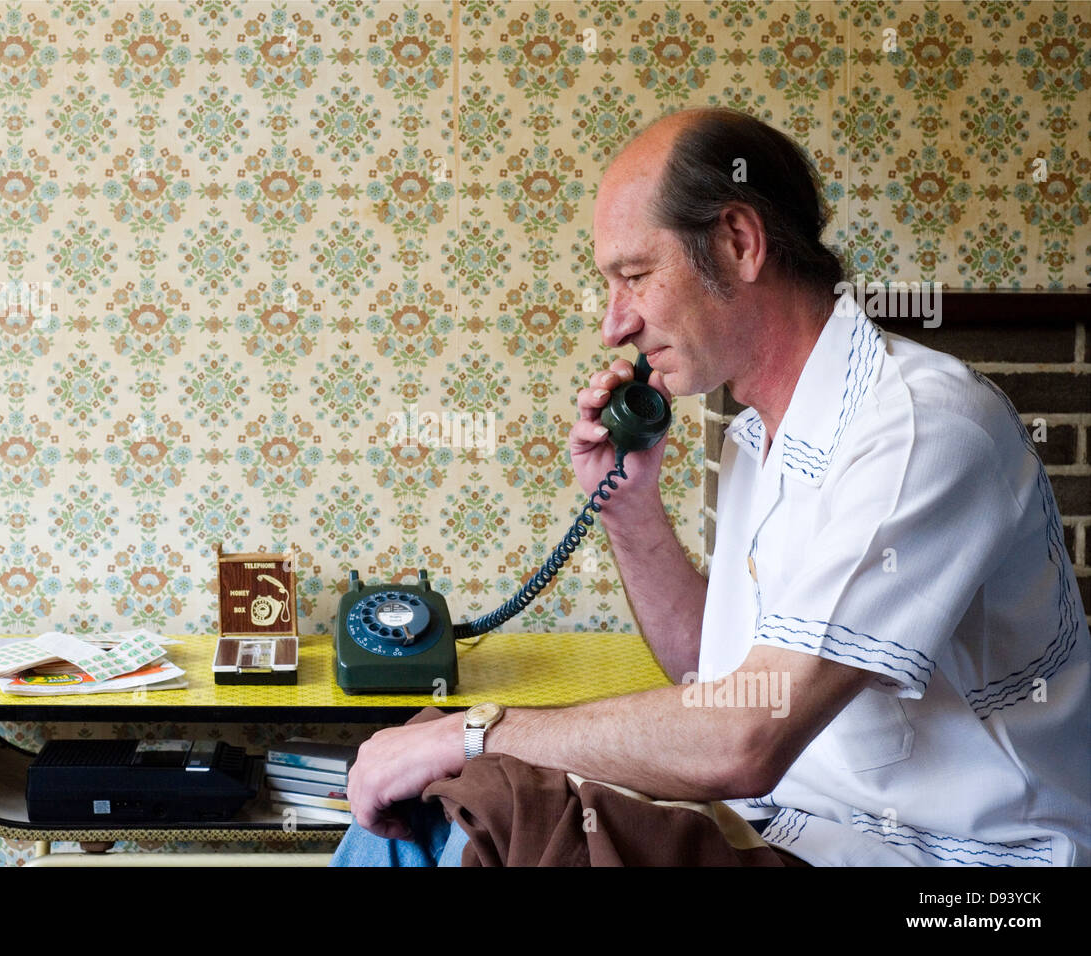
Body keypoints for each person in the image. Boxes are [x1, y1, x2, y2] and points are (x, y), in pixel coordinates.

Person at [331, 107, 1091, 867]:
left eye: (634, 276)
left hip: (969, 880)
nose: (613, 325)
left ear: (738, 242)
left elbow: (744, 735)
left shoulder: (922, 429)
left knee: (478, 785)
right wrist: (628, 508)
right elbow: (715, 677)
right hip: (789, 838)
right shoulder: (759, 437)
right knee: (440, 789)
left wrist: (476, 730)